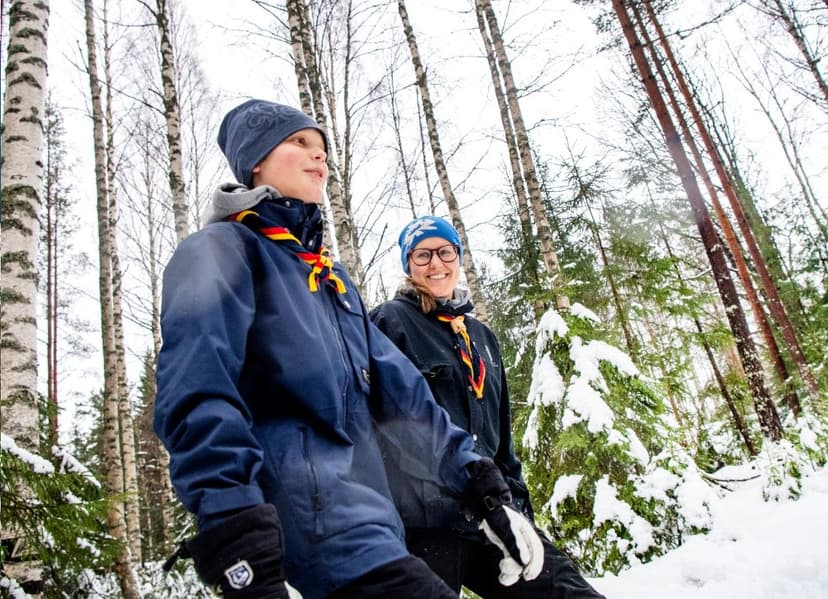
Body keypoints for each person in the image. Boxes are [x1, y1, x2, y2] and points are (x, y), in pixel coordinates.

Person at [154, 99, 545, 599]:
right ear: (256, 162)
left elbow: (408, 399)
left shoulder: (332, 283)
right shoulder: (222, 251)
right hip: (299, 527)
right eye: (300, 143)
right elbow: (197, 390)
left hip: (374, 529)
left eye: (322, 147)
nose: (319, 157)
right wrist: (235, 529)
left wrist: (484, 488)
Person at [369, 216, 606, 599]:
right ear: (408, 264)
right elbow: (392, 424)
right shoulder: (390, 322)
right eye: (423, 255)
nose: (436, 264)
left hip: (491, 514)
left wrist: (519, 512)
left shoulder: (480, 337)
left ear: (458, 258)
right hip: (425, 523)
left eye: (446, 252)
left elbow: (501, 440)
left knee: (568, 591)